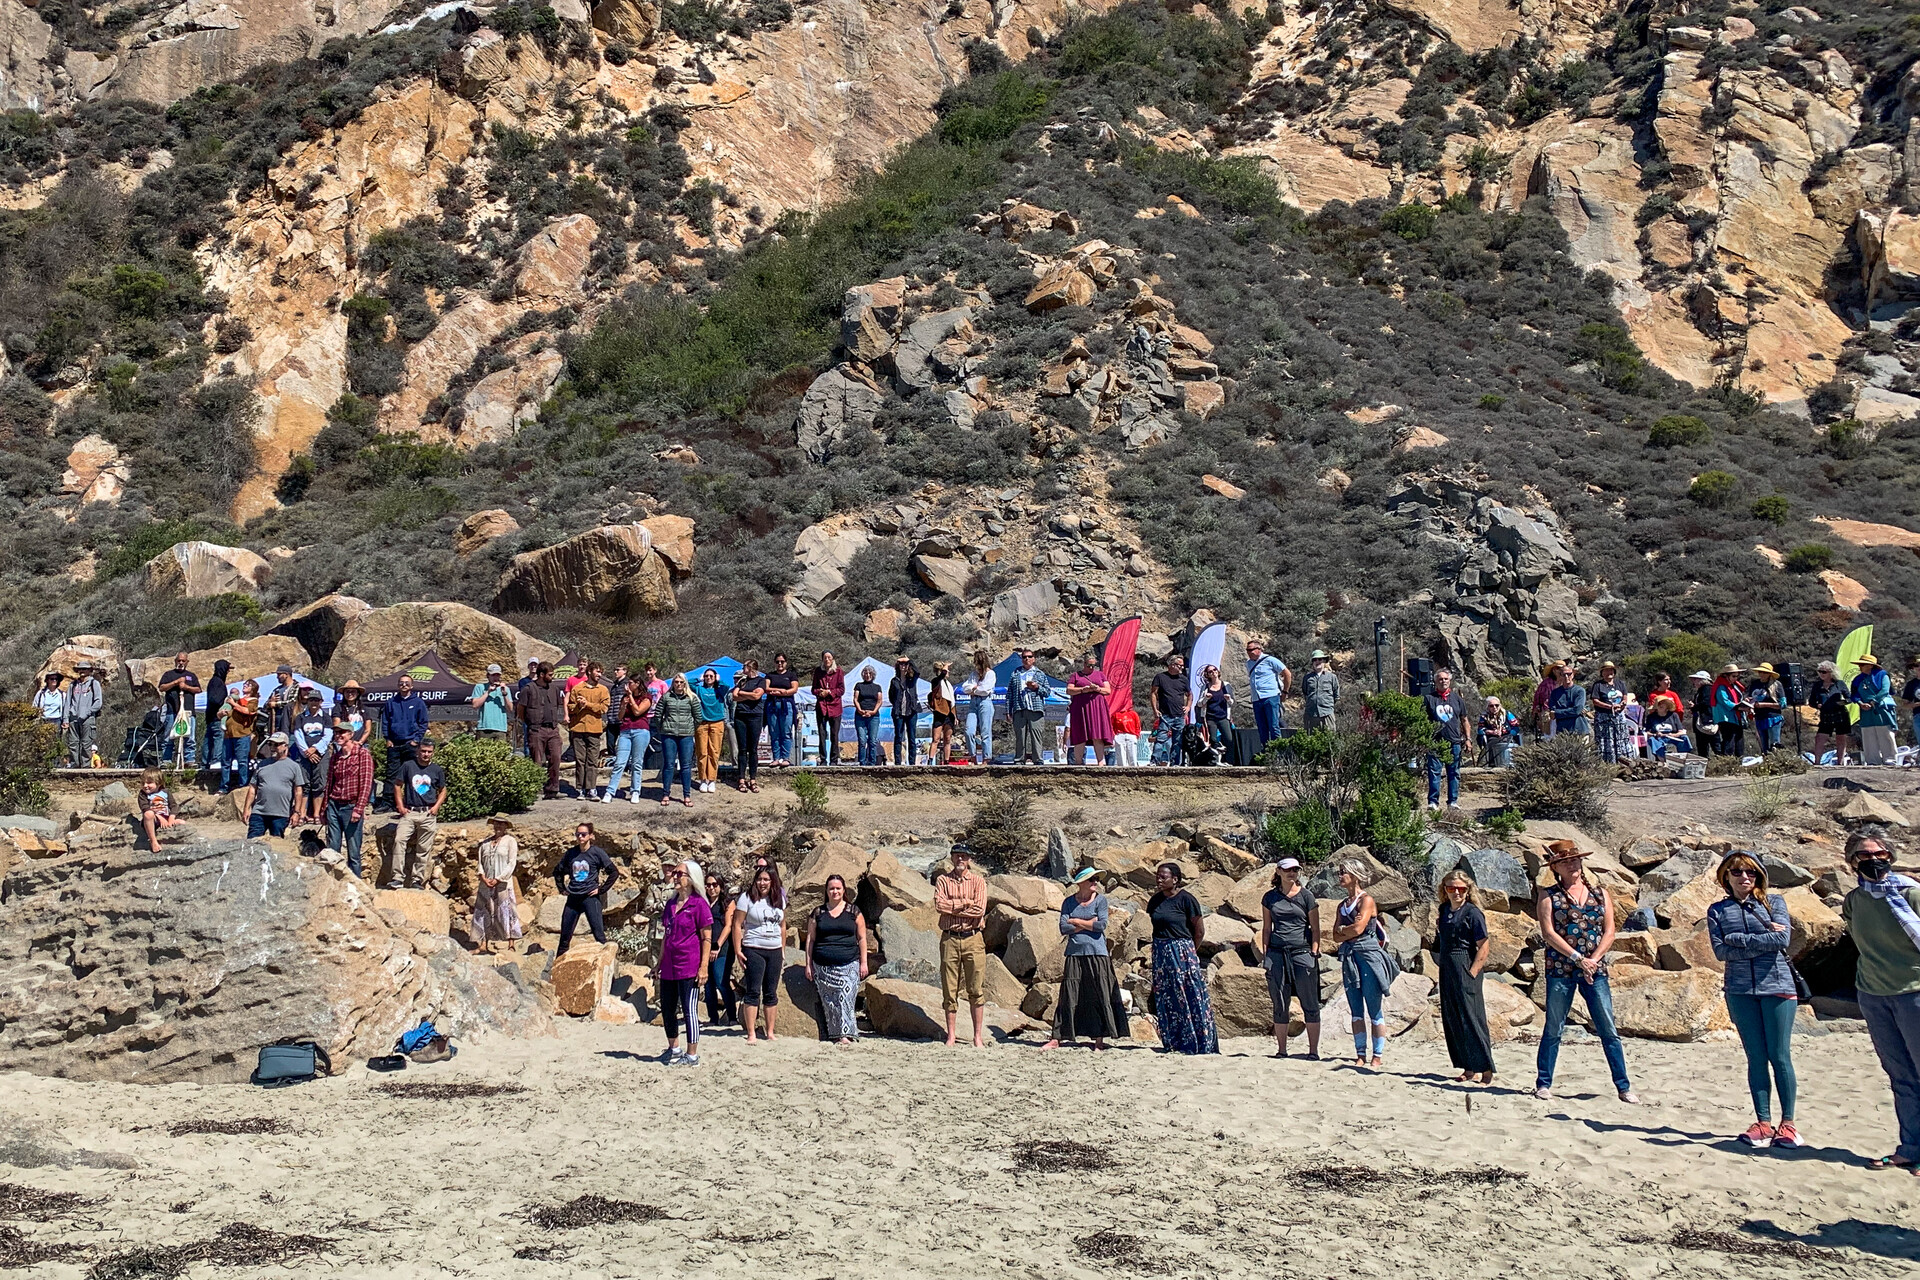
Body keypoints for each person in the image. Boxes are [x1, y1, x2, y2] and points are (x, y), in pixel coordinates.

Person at [1705, 850, 1800, 1148]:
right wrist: (1759, 940)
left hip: (1777, 986)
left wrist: (1738, 940)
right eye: (1737, 872)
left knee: (1779, 1055)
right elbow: (1721, 952)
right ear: (1726, 876)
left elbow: (1782, 941)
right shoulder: (1717, 911)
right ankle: (1763, 1122)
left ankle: (1788, 1124)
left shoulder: (1775, 903)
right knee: (1756, 1057)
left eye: (1751, 872)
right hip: (1740, 989)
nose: (1745, 877)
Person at [1534, 840, 1637, 1103]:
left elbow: (1610, 931)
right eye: (1566, 861)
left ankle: (1623, 1086)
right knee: (1554, 1027)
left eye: (1576, 859)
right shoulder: (1549, 895)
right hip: (1561, 967)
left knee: (1607, 1027)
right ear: (1556, 867)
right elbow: (1549, 933)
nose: (1573, 864)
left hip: (1596, 967)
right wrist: (1579, 958)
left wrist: (1593, 959)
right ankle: (1543, 1082)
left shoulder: (1601, 894)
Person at [1843, 829, 1920, 1171]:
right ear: (1852, 862)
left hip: (1913, 993)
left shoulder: (1911, 895)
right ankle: (1911, 1147)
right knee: (1900, 1075)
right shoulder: (1854, 900)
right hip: (1874, 995)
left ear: (1890, 857)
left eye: (1880, 855)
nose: (1873, 861)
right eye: (1864, 855)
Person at [1042, 868, 1128, 1050]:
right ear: (1081, 882)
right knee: (1069, 996)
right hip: (1074, 953)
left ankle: (1099, 1040)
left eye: (1097, 879)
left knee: (1099, 994)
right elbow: (1064, 928)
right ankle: (1057, 1037)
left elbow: (1101, 925)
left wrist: (1076, 922)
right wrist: (1087, 923)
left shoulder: (1100, 901)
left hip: (1097, 953)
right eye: (1092, 879)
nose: (1096, 882)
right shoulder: (1068, 902)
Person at [1147, 863, 1218, 1055]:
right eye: (1158, 876)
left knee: (1190, 994)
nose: (1159, 880)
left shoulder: (1187, 900)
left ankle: (1200, 1042)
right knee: (1166, 995)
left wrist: (1189, 952)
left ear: (1175, 879)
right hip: (1161, 952)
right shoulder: (1154, 901)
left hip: (1183, 951)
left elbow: (1199, 930)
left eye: (1163, 877)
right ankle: (1173, 1042)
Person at [1330, 859, 1391, 1068]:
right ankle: (1360, 1053)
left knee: (1374, 1007)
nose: (1340, 876)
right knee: (1355, 1008)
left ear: (1355, 875)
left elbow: (1358, 929)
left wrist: (1345, 931)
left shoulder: (1367, 901)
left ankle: (1377, 1054)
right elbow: (1335, 935)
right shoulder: (1342, 906)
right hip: (1350, 957)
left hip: (1368, 957)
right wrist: (1347, 931)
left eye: (1343, 872)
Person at [1256, 858, 1320, 1059]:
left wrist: (1314, 951)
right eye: (1288, 870)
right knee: (1280, 1002)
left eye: (1295, 870)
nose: (1291, 873)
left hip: (1302, 952)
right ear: (1279, 872)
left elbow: (1315, 929)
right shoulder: (1270, 898)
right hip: (1277, 953)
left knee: (1309, 1001)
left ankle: (1313, 1051)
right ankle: (1282, 1050)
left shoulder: (1307, 897)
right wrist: (1266, 954)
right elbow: (1267, 928)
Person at [1436, 870, 1495, 1084]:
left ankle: (1486, 1069)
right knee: (1453, 1017)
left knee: (1472, 1017)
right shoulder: (1443, 910)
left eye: (1461, 889)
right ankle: (1468, 1067)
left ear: (1467, 890)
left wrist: (1472, 972)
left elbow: (1483, 946)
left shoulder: (1473, 913)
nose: (1456, 893)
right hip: (1447, 966)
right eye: (1451, 888)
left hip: (1465, 965)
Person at [659, 860, 713, 1066]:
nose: (675, 876)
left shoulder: (699, 904)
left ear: (691, 879)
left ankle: (692, 1054)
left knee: (690, 1010)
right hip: (669, 966)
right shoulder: (671, 904)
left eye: (679, 873)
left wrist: (703, 966)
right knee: (667, 1007)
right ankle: (674, 1048)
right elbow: (666, 935)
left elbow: (706, 937)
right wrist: (659, 963)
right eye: (674, 873)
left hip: (689, 965)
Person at [934, 845, 989, 1047]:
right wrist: (965, 903)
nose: (960, 859)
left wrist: (954, 907)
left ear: (969, 859)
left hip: (973, 938)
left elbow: (979, 909)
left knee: (975, 987)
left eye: (964, 856)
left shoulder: (978, 881)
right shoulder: (943, 880)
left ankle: (977, 1036)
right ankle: (951, 1035)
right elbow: (939, 905)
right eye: (957, 856)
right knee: (950, 989)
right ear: (952, 858)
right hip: (949, 938)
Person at [807, 873, 869, 1044]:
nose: (835, 891)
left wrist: (864, 963)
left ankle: (847, 1033)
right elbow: (810, 940)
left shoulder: (853, 911)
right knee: (831, 1003)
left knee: (846, 996)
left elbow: (862, 938)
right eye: (831, 888)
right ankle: (838, 1035)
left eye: (838, 888)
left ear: (843, 890)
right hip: (823, 966)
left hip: (849, 962)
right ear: (826, 891)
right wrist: (808, 964)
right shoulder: (818, 912)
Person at [734, 864, 788, 1041]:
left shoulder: (779, 898)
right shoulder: (746, 898)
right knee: (753, 991)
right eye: (759, 879)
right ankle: (750, 1033)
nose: (762, 883)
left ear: (772, 881)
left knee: (771, 992)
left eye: (766, 879)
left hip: (774, 949)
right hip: (754, 948)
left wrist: (783, 949)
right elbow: (737, 924)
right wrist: (738, 949)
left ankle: (770, 1031)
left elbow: (782, 925)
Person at [552, 822, 619, 957]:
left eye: (583, 834)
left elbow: (613, 872)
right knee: (564, 938)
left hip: (590, 897)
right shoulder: (571, 853)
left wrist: (601, 890)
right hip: (573, 898)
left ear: (590, 836)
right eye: (578, 834)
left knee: (599, 936)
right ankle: (555, 970)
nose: (580, 837)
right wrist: (562, 889)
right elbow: (557, 871)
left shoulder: (597, 853)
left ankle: (608, 972)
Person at [388, 739, 445, 890]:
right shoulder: (408, 766)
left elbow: (443, 789)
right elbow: (398, 785)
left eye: (429, 751)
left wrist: (436, 807)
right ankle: (397, 878)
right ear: (417, 751)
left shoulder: (436, 770)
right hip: (410, 811)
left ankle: (417, 880)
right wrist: (400, 806)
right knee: (399, 840)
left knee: (424, 848)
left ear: (433, 753)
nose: (426, 754)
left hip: (427, 813)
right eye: (423, 751)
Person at [323, 729, 375, 877]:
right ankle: (332, 883)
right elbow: (329, 784)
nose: (339, 736)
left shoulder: (362, 754)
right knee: (332, 850)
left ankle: (356, 888)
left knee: (354, 853)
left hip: (351, 806)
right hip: (334, 805)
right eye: (337, 733)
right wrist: (324, 809)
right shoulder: (336, 757)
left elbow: (366, 783)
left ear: (351, 735)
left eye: (342, 733)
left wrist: (359, 808)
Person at [473, 815, 523, 954]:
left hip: (503, 883)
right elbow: (480, 862)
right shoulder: (485, 843)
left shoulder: (510, 841)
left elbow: (511, 862)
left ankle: (510, 943)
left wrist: (499, 878)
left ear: (506, 826)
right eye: (496, 823)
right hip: (486, 882)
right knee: (484, 911)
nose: (498, 826)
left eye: (502, 824)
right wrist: (483, 876)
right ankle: (483, 943)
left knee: (507, 911)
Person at [518, 662, 567, 800]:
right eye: (550, 675)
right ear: (541, 675)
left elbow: (558, 705)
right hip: (536, 730)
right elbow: (520, 710)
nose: (553, 677)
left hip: (552, 730)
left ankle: (552, 789)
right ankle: (535, 789)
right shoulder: (528, 689)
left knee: (556, 758)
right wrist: (529, 723)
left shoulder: (554, 689)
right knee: (537, 761)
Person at [241, 734, 303, 839]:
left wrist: (296, 812)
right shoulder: (262, 765)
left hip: (281, 814)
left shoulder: (294, 767)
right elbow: (252, 789)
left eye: (277, 744)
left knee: (277, 844)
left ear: (285, 746)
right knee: (252, 842)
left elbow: (298, 791)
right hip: (259, 812)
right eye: (271, 744)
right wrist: (246, 809)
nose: (273, 747)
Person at [1423, 668, 1467, 811]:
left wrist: (1468, 739)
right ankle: (1433, 802)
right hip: (1435, 742)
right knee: (1434, 771)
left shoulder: (1457, 699)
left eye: (1446, 679)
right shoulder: (1429, 699)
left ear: (1450, 681)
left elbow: (1464, 720)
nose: (1443, 681)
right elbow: (1422, 720)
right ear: (1435, 681)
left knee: (1454, 772)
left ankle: (1452, 801)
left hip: (1454, 741)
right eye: (1440, 679)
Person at [606, 675, 654, 803]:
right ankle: (610, 791)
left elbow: (638, 712)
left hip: (641, 731)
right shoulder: (625, 697)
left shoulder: (646, 697)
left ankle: (635, 791)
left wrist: (631, 698)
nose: (628, 685)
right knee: (619, 762)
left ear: (637, 683)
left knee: (637, 763)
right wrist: (623, 705)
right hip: (625, 731)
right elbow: (620, 717)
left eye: (630, 683)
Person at [566, 662, 610, 798]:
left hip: (595, 730)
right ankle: (580, 789)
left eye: (601, 672)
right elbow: (570, 708)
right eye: (597, 671)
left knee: (592, 760)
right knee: (580, 760)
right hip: (578, 729)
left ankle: (591, 789)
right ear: (590, 672)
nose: (600, 675)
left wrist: (587, 704)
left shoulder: (603, 690)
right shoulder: (578, 688)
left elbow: (604, 708)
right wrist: (579, 706)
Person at [381, 672, 430, 795]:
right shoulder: (391, 702)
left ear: (411, 686)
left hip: (411, 744)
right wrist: (387, 738)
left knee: (412, 774)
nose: (404, 685)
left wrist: (416, 740)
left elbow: (423, 723)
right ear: (398, 685)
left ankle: (411, 800)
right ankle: (388, 802)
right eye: (401, 683)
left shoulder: (418, 702)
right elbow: (385, 721)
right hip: (394, 745)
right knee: (391, 774)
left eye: (407, 683)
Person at [289, 690, 332, 826]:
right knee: (304, 784)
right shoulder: (301, 718)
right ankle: (302, 814)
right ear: (307, 701)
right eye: (311, 700)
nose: (314, 702)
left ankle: (316, 814)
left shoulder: (325, 717)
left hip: (321, 754)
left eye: (316, 700)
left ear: (321, 702)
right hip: (304, 754)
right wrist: (307, 752)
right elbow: (298, 735)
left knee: (319, 784)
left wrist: (315, 749)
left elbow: (328, 736)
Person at [655, 674, 699, 806]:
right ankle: (665, 794)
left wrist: (690, 729)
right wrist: (662, 728)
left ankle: (686, 795)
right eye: (676, 682)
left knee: (686, 766)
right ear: (673, 683)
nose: (678, 684)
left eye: (681, 682)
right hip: (669, 734)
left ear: (685, 683)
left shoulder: (692, 698)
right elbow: (658, 714)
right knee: (668, 765)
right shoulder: (666, 697)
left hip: (686, 735)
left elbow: (698, 717)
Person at [1066, 654, 1113, 766]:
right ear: (1084, 664)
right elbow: (1069, 690)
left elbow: (1108, 690)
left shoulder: (1100, 675)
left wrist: (1097, 689)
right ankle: (1078, 762)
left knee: (1097, 734)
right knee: (1080, 734)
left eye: (1093, 665)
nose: (1091, 668)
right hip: (1080, 707)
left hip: (1097, 707)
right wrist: (1083, 690)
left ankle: (1100, 763)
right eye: (1089, 665)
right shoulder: (1076, 675)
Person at [1854, 653, 1901, 766]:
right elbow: (1854, 694)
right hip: (1866, 711)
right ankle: (1872, 761)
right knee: (1868, 734)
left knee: (1885, 733)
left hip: (1881, 708)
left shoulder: (1882, 675)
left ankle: (1890, 759)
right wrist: (1860, 703)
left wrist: (1874, 701)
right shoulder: (1857, 679)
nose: (1860, 666)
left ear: (1870, 665)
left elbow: (1885, 690)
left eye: (1863, 664)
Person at [730, 658, 767, 792]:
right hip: (741, 715)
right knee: (742, 748)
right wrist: (750, 694)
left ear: (750, 667)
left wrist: (743, 694)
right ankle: (741, 779)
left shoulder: (761, 680)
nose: (743, 668)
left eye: (744, 666)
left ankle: (752, 779)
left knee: (753, 749)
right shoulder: (742, 680)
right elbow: (734, 695)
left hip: (755, 716)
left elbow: (758, 696)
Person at [159, 651, 202, 769]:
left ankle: (189, 760)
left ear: (187, 662)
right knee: (169, 737)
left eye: (183, 661)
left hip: (188, 711)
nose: (181, 663)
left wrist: (186, 687)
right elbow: (162, 687)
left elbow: (198, 689)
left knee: (190, 737)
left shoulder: (191, 676)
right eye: (179, 660)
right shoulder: (168, 674)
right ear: (175, 661)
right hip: (172, 711)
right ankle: (166, 761)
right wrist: (175, 683)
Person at [705, 869, 737, 1028]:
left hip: (723, 948)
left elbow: (729, 926)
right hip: (705, 947)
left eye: (715, 885)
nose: (711, 888)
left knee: (721, 980)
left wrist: (717, 945)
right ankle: (713, 1017)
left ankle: (732, 1016)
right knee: (707, 983)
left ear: (721, 886)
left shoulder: (727, 902)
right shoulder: (704, 902)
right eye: (708, 885)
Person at [1245, 640, 1290, 747]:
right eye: (1247, 650)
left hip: (1271, 696)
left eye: (1251, 649)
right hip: (1256, 699)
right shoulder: (1248, 663)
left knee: (1274, 725)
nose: (1249, 652)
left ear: (1258, 650)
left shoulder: (1270, 660)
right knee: (1262, 727)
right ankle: (1266, 752)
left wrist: (1285, 692)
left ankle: (1278, 753)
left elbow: (1287, 674)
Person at [1009, 651, 1052, 764]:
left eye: (1029, 656)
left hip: (1035, 709)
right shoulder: (1015, 673)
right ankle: (1019, 759)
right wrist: (1008, 711)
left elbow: (1047, 692)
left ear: (1034, 659)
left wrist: (1037, 687)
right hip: (1019, 708)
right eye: (1024, 657)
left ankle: (1037, 759)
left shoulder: (1040, 674)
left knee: (1036, 735)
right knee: (1020, 736)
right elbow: (1010, 694)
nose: (1027, 659)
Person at [1811, 660, 1852, 766]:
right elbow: (1811, 701)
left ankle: (1840, 762)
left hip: (1840, 714)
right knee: (1820, 737)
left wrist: (1841, 703)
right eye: (1819, 671)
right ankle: (1817, 762)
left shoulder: (1839, 684)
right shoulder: (1817, 685)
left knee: (1841, 737)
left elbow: (1849, 698)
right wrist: (1817, 705)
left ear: (1831, 672)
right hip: (1825, 715)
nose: (1821, 674)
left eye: (1824, 672)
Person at [693, 668, 728, 793]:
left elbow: (726, 686)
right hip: (702, 723)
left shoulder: (719, 690)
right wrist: (699, 678)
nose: (708, 678)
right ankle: (703, 779)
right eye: (707, 676)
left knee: (714, 752)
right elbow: (689, 684)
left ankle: (712, 780)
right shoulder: (699, 689)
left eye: (711, 676)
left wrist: (719, 679)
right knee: (702, 752)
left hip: (717, 723)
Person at [221, 679, 259, 793]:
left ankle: (243, 786)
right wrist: (221, 713)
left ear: (253, 689)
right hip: (228, 734)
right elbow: (225, 712)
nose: (245, 686)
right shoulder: (237, 700)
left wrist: (233, 704)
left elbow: (247, 711)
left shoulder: (253, 701)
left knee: (242, 761)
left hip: (242, 734)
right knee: (225, 761)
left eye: (248, 685)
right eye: (245, 684)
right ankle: (224, 787)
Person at [1151, 654, 1190, 766]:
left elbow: (1189, 694)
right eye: (1180, 665)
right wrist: (1155, 709)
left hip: (1179, 715)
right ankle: (1155, 761)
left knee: (1177, 741)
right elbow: (1153, 693)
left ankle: (1175, 763)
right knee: (1160, 739)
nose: (1182, 668)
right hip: (1165, 715)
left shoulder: (1183, 679)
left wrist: (1188, 707)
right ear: (1172, 665)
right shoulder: (1160, 677)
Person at [66, 661, 104, 771]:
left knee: (86, 743)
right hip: (73, 719)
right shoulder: (73, 685)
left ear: (89, 671)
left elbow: (98, 702)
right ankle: (75, 765)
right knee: (73, 743)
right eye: (79, 669)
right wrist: (66, 718)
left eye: (84, 669)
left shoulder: (94, 684)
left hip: (88, 719)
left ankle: (86, 766)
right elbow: (67, 702)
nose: (81, 671)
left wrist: (87, 713)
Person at [1589, 661, 1629, 763]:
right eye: (1606, 670)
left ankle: (1623, 762)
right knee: (1606, 740)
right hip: (1604, 717)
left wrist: (1623, 703)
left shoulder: (1620, 683)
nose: (1609, 672)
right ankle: (1607, 763)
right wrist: (1609, 706)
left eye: (1610, 670)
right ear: (1602, 673)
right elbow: (1595, 700)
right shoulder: (1598, 685)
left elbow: (1625, 695)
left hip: (1619, 716)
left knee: (1621, 738)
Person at [810, 652, 846, 766]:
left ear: (833, 659)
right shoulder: (818, 671)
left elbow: (841, 690)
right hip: (821, 706)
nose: (827, 659)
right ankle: (823, 759)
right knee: (821, 733)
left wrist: (829, 692)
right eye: (825, 657)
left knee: (834, 734)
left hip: (835, 707)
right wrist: (820, 692)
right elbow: (813, 689)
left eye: (829, 657)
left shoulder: (839, 671)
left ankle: (834, 759)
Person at [961, 651, 996, 764]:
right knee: (969, 730)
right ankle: (973, 755)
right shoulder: (973, 674)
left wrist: (973, 690)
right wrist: (973, 689)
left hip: (985, 702)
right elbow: (964, 688)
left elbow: (985, 690)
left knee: (985, 731)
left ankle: (986, 757)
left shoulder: (990, 674)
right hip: (973, 702)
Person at [888, 657, 923, 766]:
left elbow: (917, 671)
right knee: (898, 736)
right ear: (898, 666)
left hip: (911, 711)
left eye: (905, 664)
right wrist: (897, 704)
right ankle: (898, 762)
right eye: (901, 664)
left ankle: (912, 762)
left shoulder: (912, 679)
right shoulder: (894, 681)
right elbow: (891, 696)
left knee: (912, 737)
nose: (903, 666)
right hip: (899, 712)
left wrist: (909, 660)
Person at [766, 653, 799, 766]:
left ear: (786, 663)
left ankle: (785, 758)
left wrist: (782, 692)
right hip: (772, 705)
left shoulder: (791, 675)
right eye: (777, 661)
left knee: (786, 731)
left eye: (782, 661)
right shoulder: (770, 675)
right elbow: (766, 688)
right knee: (774, 732)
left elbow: (794, 689)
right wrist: (781, 690)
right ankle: (776, 758)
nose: (780, 664)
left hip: (787, 705)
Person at [1710, 663, 1749, 758]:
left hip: (1735, 717)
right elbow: (1724, 701)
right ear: (1726, 676)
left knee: (1739, 740)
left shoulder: (1733, 686)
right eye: (1733, 676)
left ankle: (1739, 760)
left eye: (1737, 676)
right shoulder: (1721, 686)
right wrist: (1739, 707)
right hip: (1726, 718)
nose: (1736, 678)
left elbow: (1737, 698)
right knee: (1729, 740)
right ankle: (1728, 762)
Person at [470, 664, 514, 742]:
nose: (496, 678)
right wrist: (488, 692)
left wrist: (504, 694)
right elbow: (475, 705)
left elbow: (510, 709)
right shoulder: (480, 687)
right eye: (493, 675)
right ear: (488, 676)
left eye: (498, 675)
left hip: (500, 728)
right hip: (484, 728)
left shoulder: (506, 689)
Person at [1748, 664, 1785, 755]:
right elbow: (1751, 697)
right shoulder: (1755, 684)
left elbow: (1783, 704)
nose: (1762, 674)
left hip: (1773, 718)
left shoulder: (1776, 685)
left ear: (1769, 674)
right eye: (1760, 672)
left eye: (1765, 672)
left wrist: (1763, 705)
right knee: (1763, 747)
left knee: (1774, 745)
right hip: (1759, 718)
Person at [927, 661, 958, 765]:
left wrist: (955, 716)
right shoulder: (935, 682)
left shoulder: (949, 685)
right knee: (936, 738)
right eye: (947, 670)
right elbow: (943, 674)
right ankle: (930, 760)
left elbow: (952, 701)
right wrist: (946, 667)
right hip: (940, 712)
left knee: (947, 739)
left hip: (949, 713)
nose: (948, 672)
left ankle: (947, 761)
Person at [202, 659, 229, 780]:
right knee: (218, 738)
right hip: (217, 717)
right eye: (227, 669)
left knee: (209, 740)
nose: (228, 672)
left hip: (211, 717)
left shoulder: (214, 681)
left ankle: (205, 763)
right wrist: (223, 703)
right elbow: (214, 699)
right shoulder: (217, 682)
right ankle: (215, 761)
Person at [138, 767, 177, 848]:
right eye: (143, 783)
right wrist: (159, 818)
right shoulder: (143, 794)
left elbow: (173, 805)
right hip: (152, 819)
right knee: (148, 814)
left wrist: (172, 817)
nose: (145, 786)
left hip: (165, 816)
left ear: (159, 783)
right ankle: (153, 841)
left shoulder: (165, 792)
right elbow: (145, 808)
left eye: (149, 783)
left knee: (181, 822)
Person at [1548, 664, 1590, 740]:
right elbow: (1552, 712)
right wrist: (1571, 711)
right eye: (1564, 675)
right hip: (1562, 733)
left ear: (1573, 675)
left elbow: (1577, 710)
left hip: (1579, 731)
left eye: (1569, 674)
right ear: (1560, 676)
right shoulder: (1555, 693)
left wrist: (1558, 713)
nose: (1566, 677)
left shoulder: (1579, 691)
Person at [1643, 693, 1691, 761]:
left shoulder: (1674, 715)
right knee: (1652, 740)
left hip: (1673, 737)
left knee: (1684, 738)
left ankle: (1683, 759)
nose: (1660, 705)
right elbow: (1647, 732)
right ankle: (1663, 760)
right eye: (1658, 703)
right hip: (1658, 739)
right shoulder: (1651, 717)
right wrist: (1655, 734)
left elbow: (1681, 731)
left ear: (1667, 705)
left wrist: (1673, 735)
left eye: (1662, 703)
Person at [852, 665, 884, 766]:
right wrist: (860, 710)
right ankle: (862, 762)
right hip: (860, 716)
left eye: (870, 673)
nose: (868, 675)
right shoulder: (859, 685)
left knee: (872, 741)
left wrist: (874, 711)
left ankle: (872, 763)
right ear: (863, 674)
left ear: (873, 675)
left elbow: (880, 701)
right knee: (862, 740)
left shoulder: (877, 687)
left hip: (873, 716)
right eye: (866, 673)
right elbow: (855, 699)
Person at [1301, 650, 1340, 731]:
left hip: (1327, 713)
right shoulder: (1307, 678)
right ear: (1312, 662)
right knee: (1311, 739)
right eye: (1315, 660)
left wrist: (1327, 705)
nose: (1317, 662)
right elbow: (1305, 693)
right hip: (1311, 714)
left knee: (1329, 739)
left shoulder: (1332, 677)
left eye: (1320, 659)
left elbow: (1336, 695)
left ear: (1324, 661)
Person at [1199, 664, 1232, 754]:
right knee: (1213, 739)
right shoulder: (1205, 687)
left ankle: (1229, 760)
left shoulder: (1226, 685)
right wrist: (1206, 698)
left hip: (1223, 716)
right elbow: (1199, 703)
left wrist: (1228, 699)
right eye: (1210, 671)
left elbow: (1232, 702)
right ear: (1207, 674)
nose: (1213, 672)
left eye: (1215, 669)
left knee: (1229, 739)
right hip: (1210, 717)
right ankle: (1214, 760)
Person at [1477, 696, 1520, 767]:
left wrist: (1510, 733)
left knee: (1508, 741)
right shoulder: (1484, 716)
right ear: (1488, 707)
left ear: (1500, 705)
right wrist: (1491, 732)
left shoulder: (1507, 714)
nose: (1494, 707)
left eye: (1496, 705)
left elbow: (1516, 727)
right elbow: (1480, 729)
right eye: (1491, 706)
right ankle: (1493, 763)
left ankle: (1511, 762)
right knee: (1492, 741)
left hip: (1508, 736)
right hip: (1492, 737)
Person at [33, 673, 66, 762]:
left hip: (57, 720)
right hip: (44, 720)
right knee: (43, 742)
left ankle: (56, 763)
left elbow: (65, 708)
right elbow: (35, 706)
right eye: (52, 679)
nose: (54, 680)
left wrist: (65, 721)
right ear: (47, 680)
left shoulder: (62, 694)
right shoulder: (41, 694)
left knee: (55, 742)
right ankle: (43, 763)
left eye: (56, 679)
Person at [332, 680, 374, 748]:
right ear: (344, 693)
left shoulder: (364, 709)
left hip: (361, 744)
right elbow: (337, 727)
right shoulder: (338, 708)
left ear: (358, 693)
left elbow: (368, 729)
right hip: (342, 744)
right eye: (347, 691)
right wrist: (348, 742)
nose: (350, 694)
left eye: (353, 691)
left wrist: (360, 742)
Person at [1687, 669, 1716, 753]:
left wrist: (1694, 707)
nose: (1694, 682)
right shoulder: (1701, 690)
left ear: (1702, 680)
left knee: (1712, 745)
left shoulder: (1707, 689)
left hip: (1707, 721)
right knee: (1703, 746)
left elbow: (1706, 702)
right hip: (1703, 721)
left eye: (1696, 679)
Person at [1531, 663, 1561, 737]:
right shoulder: (1546, 684)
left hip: (1561, 711)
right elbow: (1540, 699)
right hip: (1548, 712)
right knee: (1549, 735)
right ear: (1554, 670)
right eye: (1558, 668)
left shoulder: (1563, 682)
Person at [1111, 702, 1142, 767]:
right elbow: (1112, 726)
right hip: (1120, 735)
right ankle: (1122, 772)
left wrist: (1137, 735)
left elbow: (1137, 725)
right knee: (1121, 756)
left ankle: (1134, 771)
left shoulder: (1133, 714)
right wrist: (1114, 736)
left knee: (1132, 755)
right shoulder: (1115, 714)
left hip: (1131, 735)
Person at [1905, 655, 1920, 750]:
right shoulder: (1911, 684)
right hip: (1918, 715)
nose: (1919, 668)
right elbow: (1905, 704)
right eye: (1916, 665)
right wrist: (1915, 705)